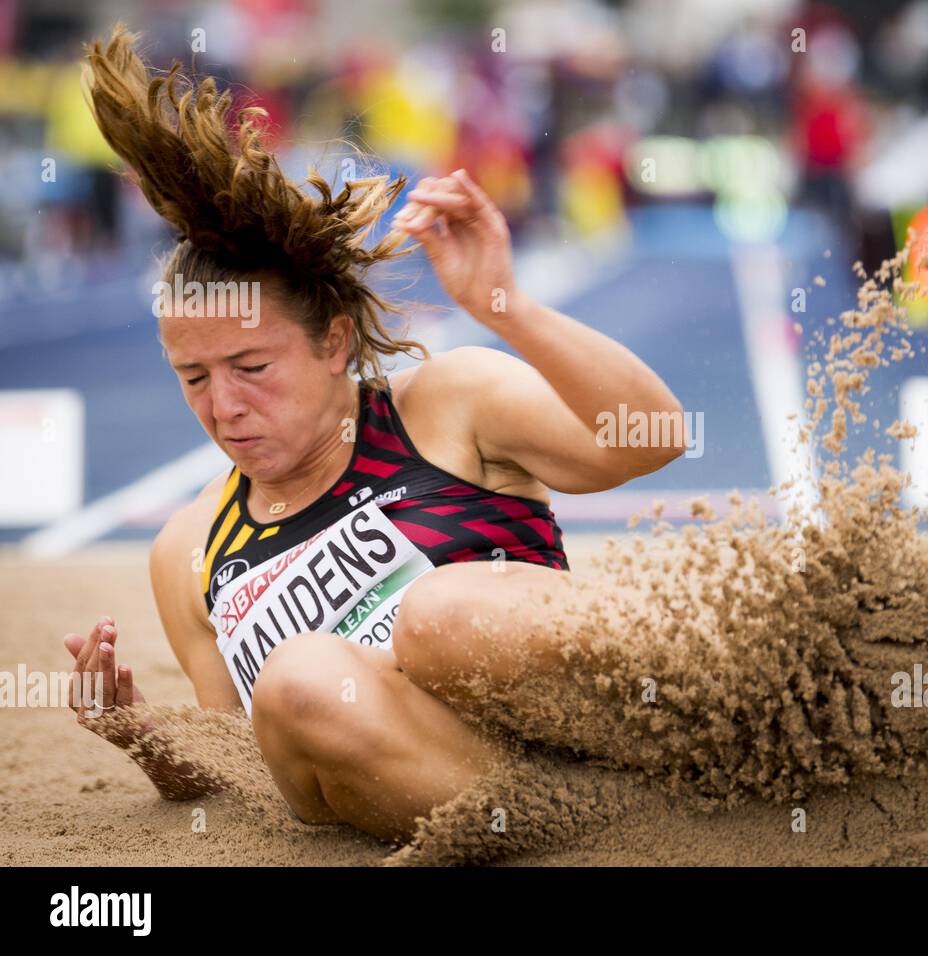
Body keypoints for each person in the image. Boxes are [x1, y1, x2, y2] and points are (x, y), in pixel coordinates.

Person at [62, 25, 685, 843]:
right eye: (195, 379)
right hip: (452, 787)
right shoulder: (186, 552)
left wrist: (508, 308)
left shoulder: (447, 402)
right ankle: (590, 834)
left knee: (440, 616)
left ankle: (705, 753)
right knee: (298, 681)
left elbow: (651, 439)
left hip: (576, 725)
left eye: (251, 367)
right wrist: (145, 738)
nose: (224, 407)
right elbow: (246, 763)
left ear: (334, 344)